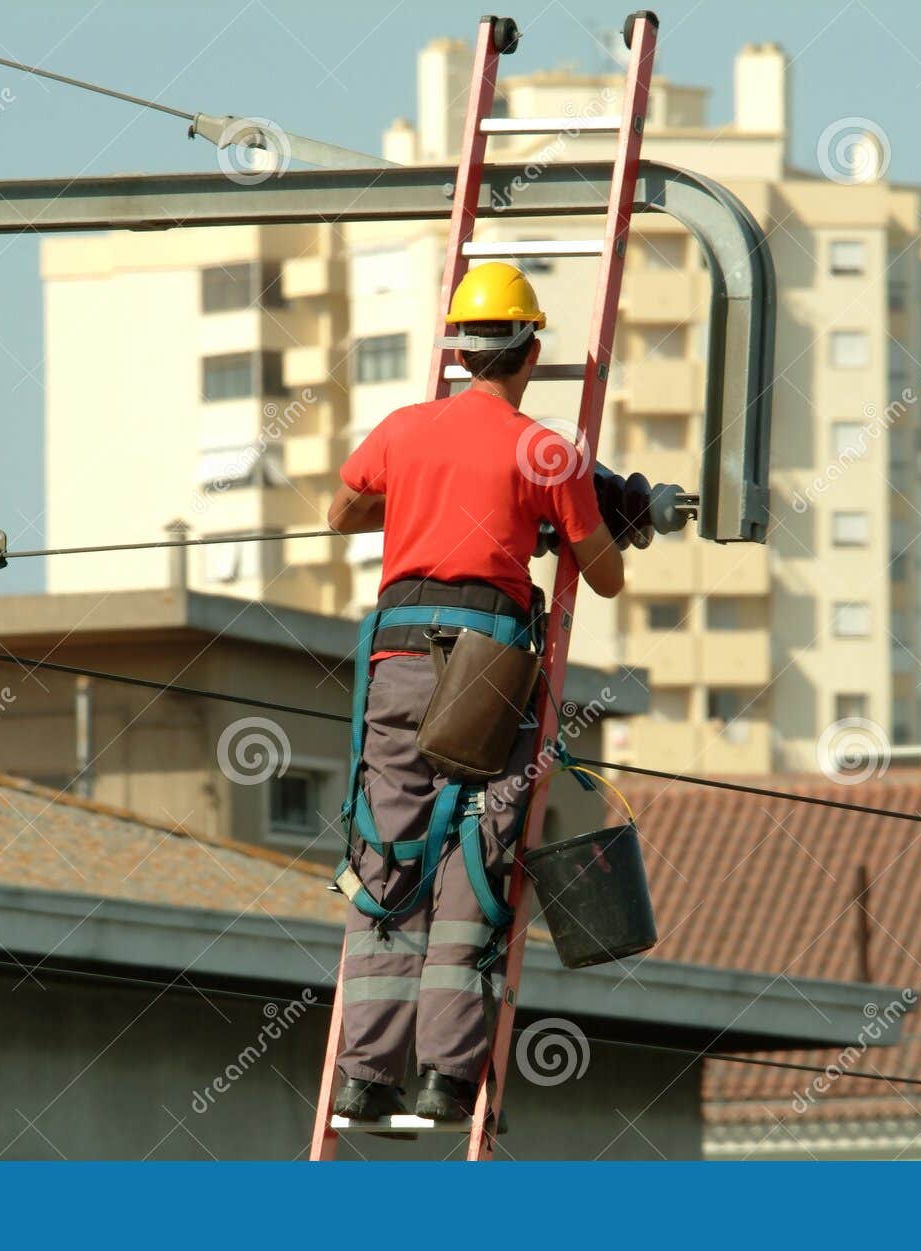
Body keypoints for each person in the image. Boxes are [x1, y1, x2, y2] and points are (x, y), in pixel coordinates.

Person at [325, 261, 625, 1123]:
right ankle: (448, 1077)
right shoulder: (547, 449)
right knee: (475, 851)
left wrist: (427, 501)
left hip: (399, 659)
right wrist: (588, 517)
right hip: (489, 663)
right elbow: (600, 577)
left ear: (457, 352)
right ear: (530, 350)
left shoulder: (403, 429)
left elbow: (340, 513)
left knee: (388, 844)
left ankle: (362, 1078)